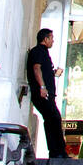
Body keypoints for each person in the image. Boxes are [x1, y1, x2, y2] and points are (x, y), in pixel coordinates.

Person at [25, 28, 67, 158]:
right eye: (51, 38)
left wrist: (54, 74)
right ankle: (58, 151)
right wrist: (42, 87)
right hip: (43, 94)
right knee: (54, 117)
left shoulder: (44, 53)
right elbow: (36, 69)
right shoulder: (37, 51)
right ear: (45, 39)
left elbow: (42, 71)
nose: (53, 41)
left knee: (51, 119)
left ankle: (56, 152)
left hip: (47, 93)